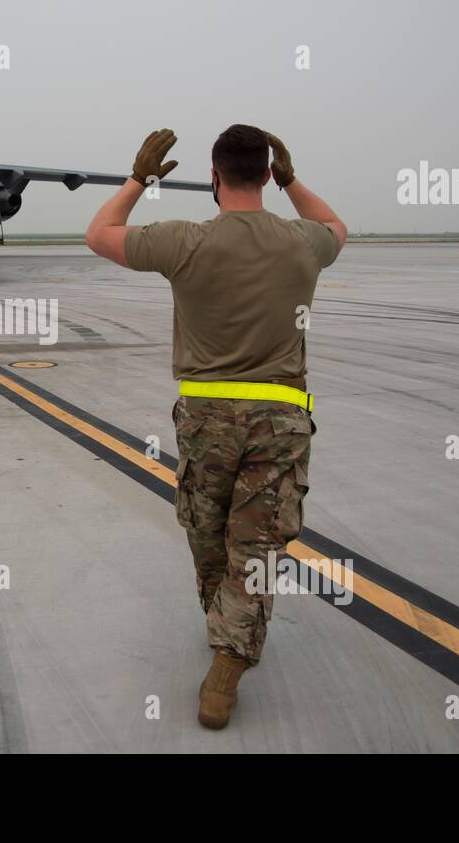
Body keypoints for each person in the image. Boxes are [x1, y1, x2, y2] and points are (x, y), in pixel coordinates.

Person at [85, 125, 346, 728]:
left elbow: (98, 235)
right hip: (280, 416)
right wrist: (294, 182)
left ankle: (227, 642)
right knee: (253, 544)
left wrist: (139, 179)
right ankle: (231, 649)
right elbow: (338, 227)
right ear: (265, 175)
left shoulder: (185, 240)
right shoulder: (303, 241)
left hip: (206, 417)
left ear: (214, 176)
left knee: (207, 533)